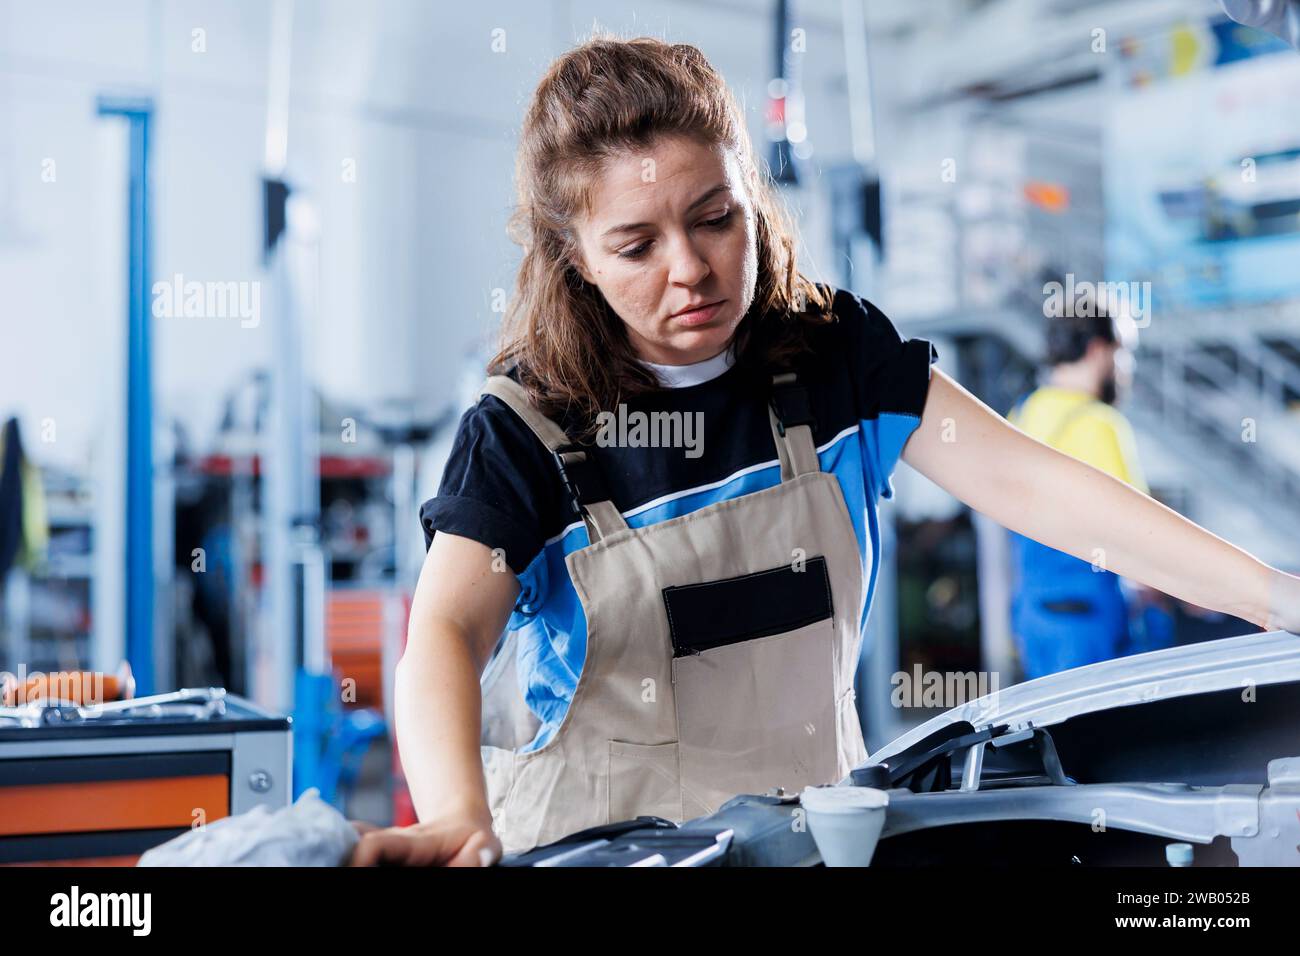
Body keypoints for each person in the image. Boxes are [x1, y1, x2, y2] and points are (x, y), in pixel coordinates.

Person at [350, 35, 1300, 867]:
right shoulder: (525, 431)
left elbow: (1031, 482)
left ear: (751, 196)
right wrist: (456, 816)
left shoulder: (833, 356)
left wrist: (1273, 597)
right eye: (636, 245)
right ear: (576, 257)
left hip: (814, 848)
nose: (691, 267)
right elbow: (445, 631)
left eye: (717, 217)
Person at [1005, 303, 1173, 678]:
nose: (1125, 368)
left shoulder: (1021, 414)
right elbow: (1143, 538)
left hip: (1034, 615)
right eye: (1123, 353)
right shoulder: (1099, 423)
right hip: (1090, 619)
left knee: (1054, 732)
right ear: (1098, 350)